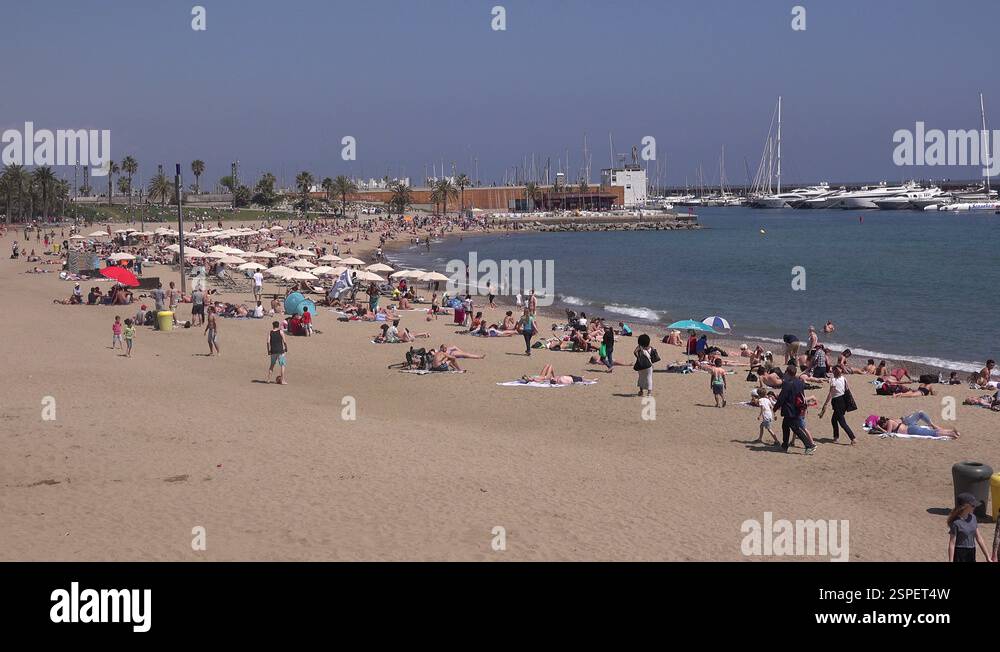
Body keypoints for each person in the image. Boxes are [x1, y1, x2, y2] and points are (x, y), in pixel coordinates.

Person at [774, 362, 817, 454]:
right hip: (797, 408)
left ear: (787, 373)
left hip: (790, 409)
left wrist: (774, 408)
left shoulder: (787, 384)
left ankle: (809, 446)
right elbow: (801, 396)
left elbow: (782, 398)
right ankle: (785, 445)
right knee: (785, 426)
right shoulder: (800, 382)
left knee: (796, 428)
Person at [947, 493, 992, 562]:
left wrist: (987, 556)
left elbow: (979, 537)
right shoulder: (956, 523)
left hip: (972, 551)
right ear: (965, 506)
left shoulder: (973, 518)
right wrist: (950, 560)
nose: (975, 507)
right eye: (973, 505)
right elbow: (952, 543)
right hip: (960, 553)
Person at [819, 366, 856, 444]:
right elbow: (847, 389)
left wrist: (825, 404)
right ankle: (836, 437)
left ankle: (853, 438)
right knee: (833, 420)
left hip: (837, 402)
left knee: (842, 422)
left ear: (834, 372)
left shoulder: (833, 380)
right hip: (843, 400)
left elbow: (830, 393)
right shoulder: (843, 378)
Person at [871, 412, 959, 438]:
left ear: (884, 423)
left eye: (883, 426)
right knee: (931, 431)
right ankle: (950, 431)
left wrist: (880, 429)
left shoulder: (890, 422)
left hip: (910, 430)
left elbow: (888, 433)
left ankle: (950, 434)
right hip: (910, 428)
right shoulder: (892, 421)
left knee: (932, 433)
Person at [521, 364, 593, 385]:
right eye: (528, 378)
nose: (529, 377)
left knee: (547, 365)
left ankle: (553, 375)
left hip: (542, 376)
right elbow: (541, 381)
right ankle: (553, 375)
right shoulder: (534, 379)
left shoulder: (533, 377)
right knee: (551, 366)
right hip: (546, 377)